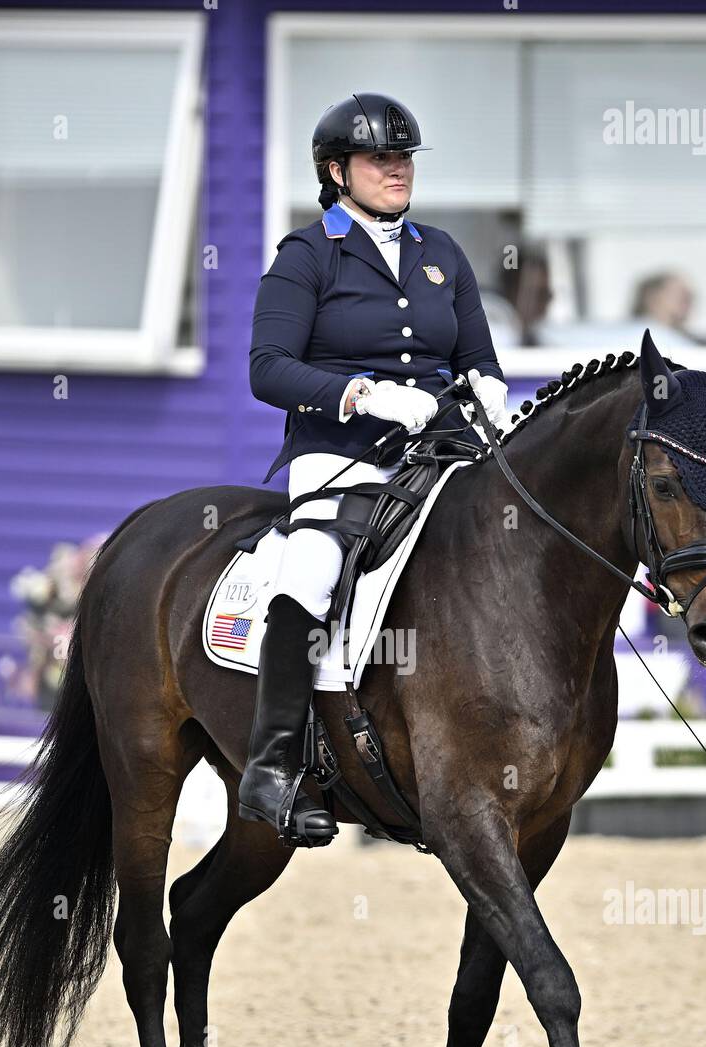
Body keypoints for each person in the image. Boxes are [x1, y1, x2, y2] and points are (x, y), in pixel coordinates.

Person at [239, 92, 507, 847]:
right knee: (312, 571)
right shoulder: (307, 255)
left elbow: (476, 357)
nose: (396, 170)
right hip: (339, 454)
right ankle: (272, 766)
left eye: (403, 157)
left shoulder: (441, 253)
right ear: (336, 171)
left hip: (438, 451)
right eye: (379, 159)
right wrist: (361, 393)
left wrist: (486, 387)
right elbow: (267, 369)